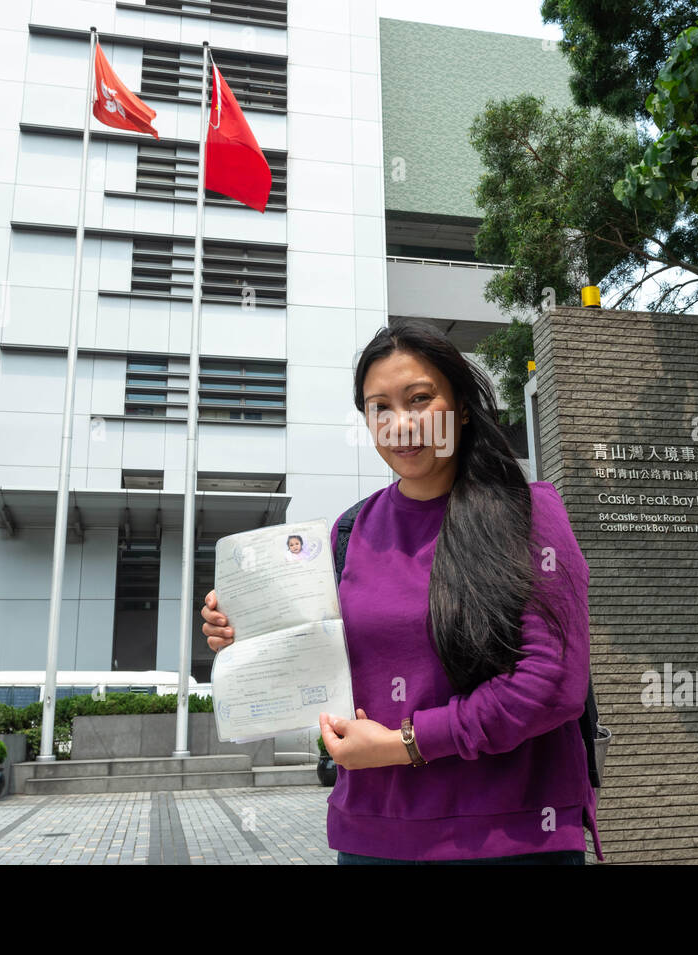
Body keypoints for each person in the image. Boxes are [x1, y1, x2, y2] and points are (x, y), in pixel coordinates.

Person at [203, 320, 603, 865]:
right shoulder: (348, 533)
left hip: (512, 837)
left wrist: (404, 744)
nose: (401, 424)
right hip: (374, 836)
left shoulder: (527, 512)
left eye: (419, 398)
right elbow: (314, 659)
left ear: (461, 406)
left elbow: (551, 684)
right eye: (380, 408)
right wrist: (244, 636)